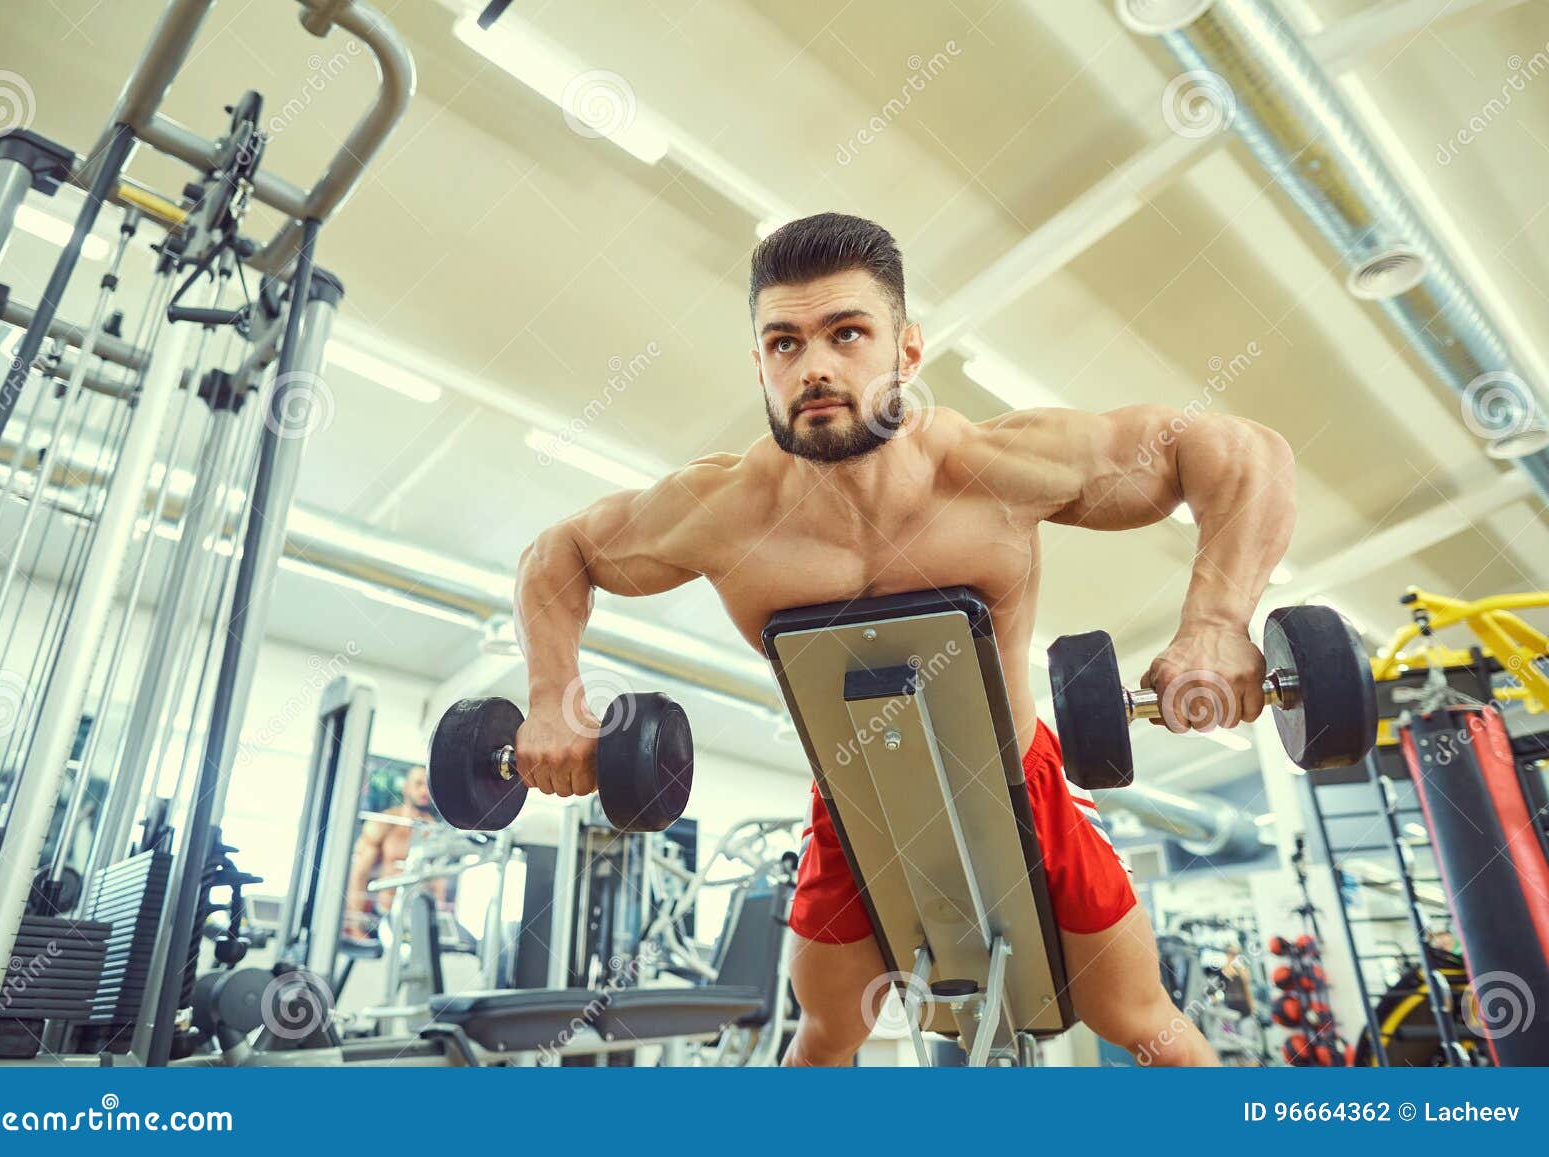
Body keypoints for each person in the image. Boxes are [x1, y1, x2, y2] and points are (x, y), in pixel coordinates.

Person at [510, 213, 1296, 1066]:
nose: (814, 366)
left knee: (1144, 1025)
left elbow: (1236, 449)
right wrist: (554, 700)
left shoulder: (993, 469)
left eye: (847, 333)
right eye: (784, 343)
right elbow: (558, 553)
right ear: (760, 366)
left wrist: (1216, 624)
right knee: (823, 1036)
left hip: (1019, 779)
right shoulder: (723, 512)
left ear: (908, 351)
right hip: (855, 806)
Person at [343, 765, 440, 940]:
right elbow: (358, 875)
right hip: (381, 914)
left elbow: (438, 884)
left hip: (415, 920)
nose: (424, 791)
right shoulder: (384, 824)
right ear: (406, 788)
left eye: (428, 785)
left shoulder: (435, 833)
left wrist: (436, 928)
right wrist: (356, 926)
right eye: (418, 784)